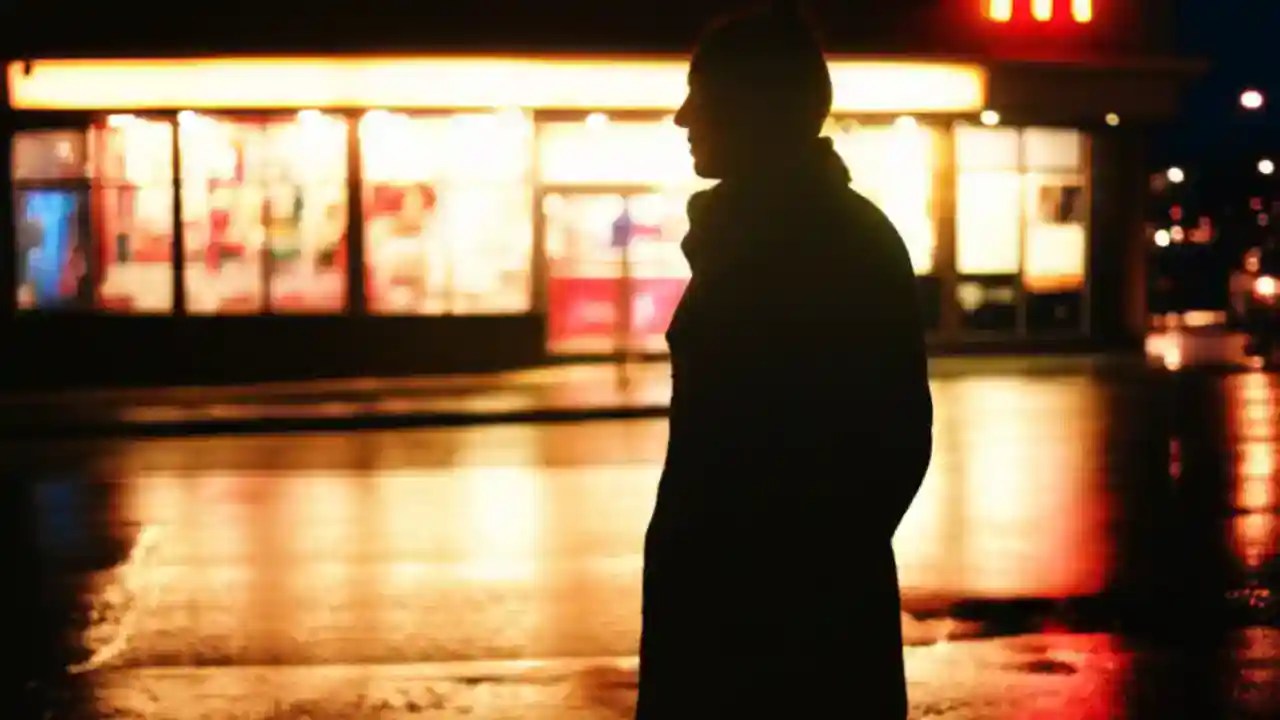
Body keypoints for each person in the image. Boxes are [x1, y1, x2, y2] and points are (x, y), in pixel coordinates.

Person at [635, 2, 934, 718]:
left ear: (751, 110)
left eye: (699, 96)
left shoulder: (810, 243)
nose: (682, 118)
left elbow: (880, 448)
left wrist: (770, 584)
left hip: (769, 638)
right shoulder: (783, 232)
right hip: (764, 615)